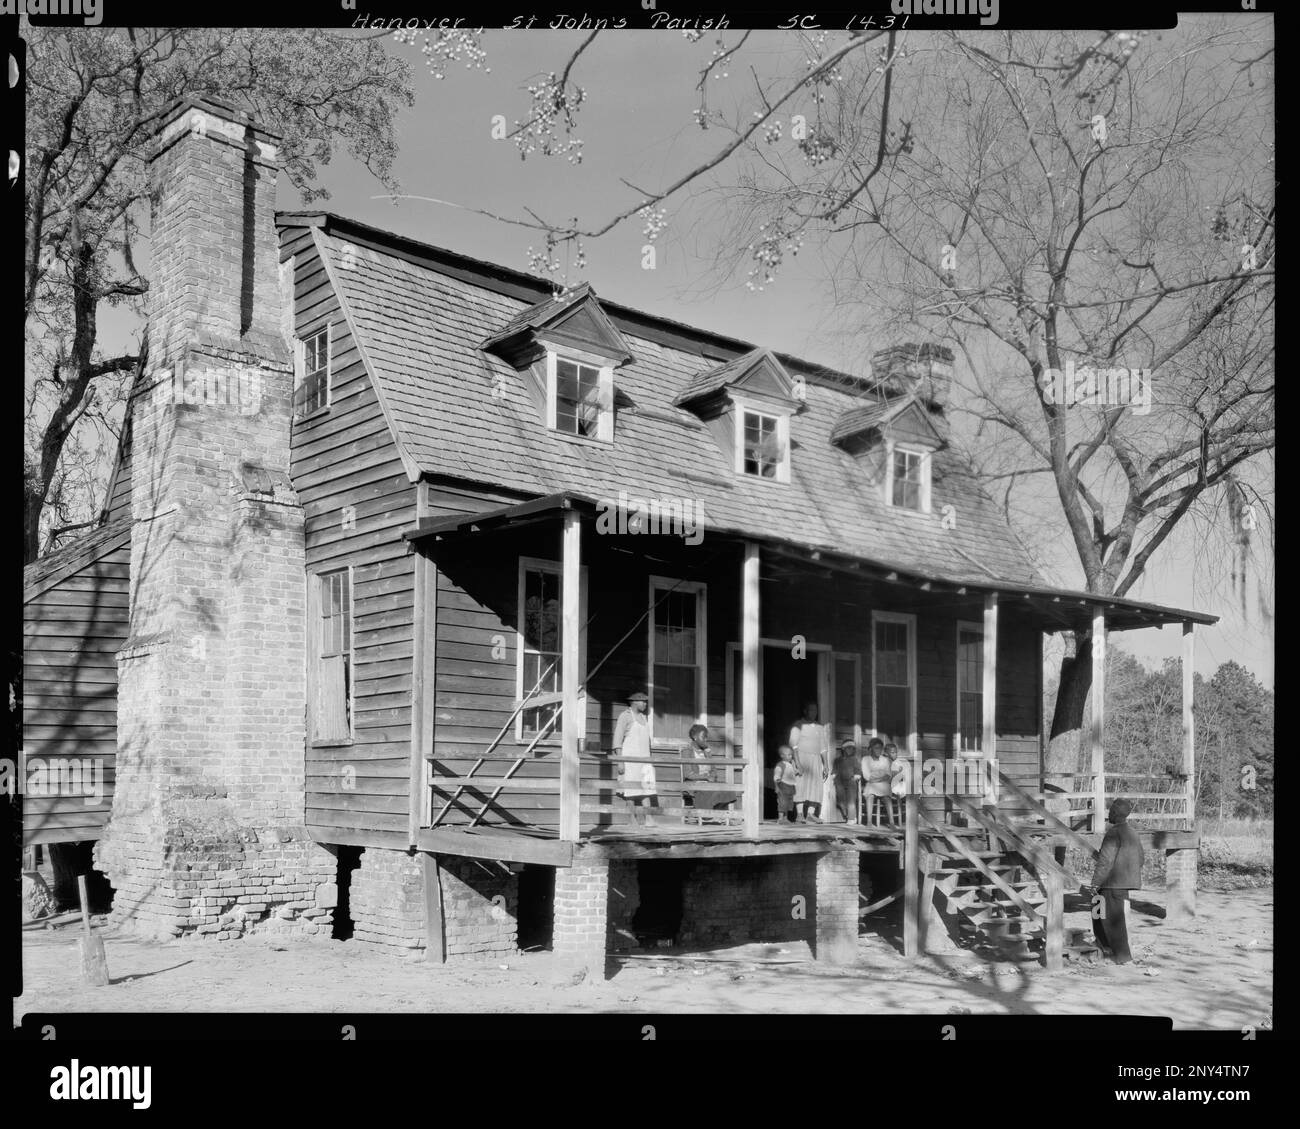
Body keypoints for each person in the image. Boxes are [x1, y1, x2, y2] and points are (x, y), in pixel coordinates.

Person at [1085, 798, 1142, 964]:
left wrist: (1095, 883)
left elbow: (1105, 862)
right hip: (1120, 884)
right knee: (1097, 910)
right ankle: (1103, 947)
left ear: (1116, 813)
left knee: (1113, 921)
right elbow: (1141, 859)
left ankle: (1123, 957)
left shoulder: (1113, 833)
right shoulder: (1132, 832)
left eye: (1110, 810)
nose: (1108, 813)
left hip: (1112, 884)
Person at [613, 690, 657, 824]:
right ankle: (632, 819)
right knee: (630, 790)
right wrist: (620, 762)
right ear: (633, 702)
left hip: (645, 760)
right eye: (642, 701)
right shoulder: (625, 716)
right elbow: (617, 741)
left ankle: (648, 818)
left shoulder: (644, 718)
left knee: (647, 789)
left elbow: (647, 742)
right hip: (630, 760)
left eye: (645, 701)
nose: (644, 704)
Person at [680, 723, 742, 812]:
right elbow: (688, 774)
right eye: (703, 737)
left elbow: (714, 770)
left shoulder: (706, 752)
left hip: (708, 782)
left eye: (706, 737)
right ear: (695, 737)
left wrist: (712, 775)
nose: (705, 739)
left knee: (727, 788)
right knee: (709, 791)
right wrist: (705, 777)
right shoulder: (687, 752)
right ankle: (708, 815)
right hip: (694, 783)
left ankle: (719, 814)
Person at [790, 701, 829, 823]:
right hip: (802, 757)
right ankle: (800, 814)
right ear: (805, 711)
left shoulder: (820, 727)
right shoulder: (798, 725)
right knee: (800, 785)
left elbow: (823, 748)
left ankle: (811, 814)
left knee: (815, 785)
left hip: (816, 759)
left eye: (815, 711)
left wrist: (826, 765)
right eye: (811, 710)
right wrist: (798, 763)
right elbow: (793, 745)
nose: (814, 713)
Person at [862, 738, 893, 825]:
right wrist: (880, 775)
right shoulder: (865, 759)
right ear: (871, 748)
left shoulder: (885, 760)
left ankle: (891, 822)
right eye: (876, 748)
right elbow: (867, 776)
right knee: (870, 795)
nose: (878, 750)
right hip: (871, 784)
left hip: (882, 784)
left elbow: (888, 775)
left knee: (887, 796)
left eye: (880, 748)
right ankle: (869, 822)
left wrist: (875, 776)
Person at [833, 739, 862, 823]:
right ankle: (847, 814)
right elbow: (835, 770)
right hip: (839, 782)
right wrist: (834, 775)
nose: (850, 750)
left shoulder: (854, 759)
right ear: (843, 749)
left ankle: (851, 818)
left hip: (851, 781)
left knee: (851, 800)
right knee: (841, 801)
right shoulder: (837, 760)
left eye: (852, 748)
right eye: (848, 748)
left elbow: (857, 769)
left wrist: (857, 775)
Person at [773, 745, 799, 822]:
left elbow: (795, 772)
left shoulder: (790, 764)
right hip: (783, 785)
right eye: (788, 755)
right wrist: (777, 787)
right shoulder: (780, 765)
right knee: (782, 802)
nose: (790, 756)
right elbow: (777, 776)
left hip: (791, 787)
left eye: (791, 755)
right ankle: (780, 818)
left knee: (788, 803)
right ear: (782, 756)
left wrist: (795, 766)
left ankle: (785, 818)